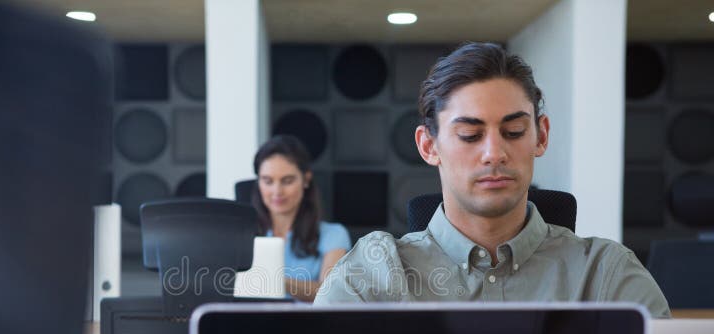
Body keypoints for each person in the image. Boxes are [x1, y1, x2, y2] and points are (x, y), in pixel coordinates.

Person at [314, 42, 670, 318]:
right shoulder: (372, 277)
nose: (494, 153)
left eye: (514, 132)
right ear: (428, 146)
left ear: (541, 136)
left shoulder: (606, 275)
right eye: (470, 135)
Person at [252, 135, 351, 302]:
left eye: (287, 181)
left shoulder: (334, 235)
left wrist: (275, 280)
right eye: (267, 181)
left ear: (306, 179)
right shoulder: (245, 233)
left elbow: (328, 293)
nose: (277, 191)